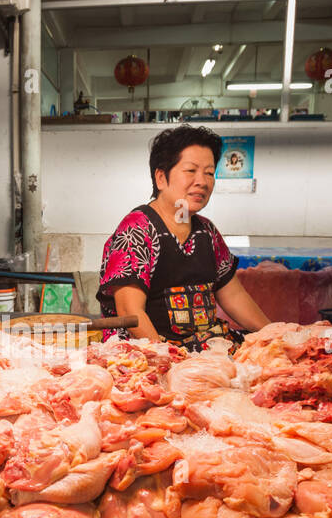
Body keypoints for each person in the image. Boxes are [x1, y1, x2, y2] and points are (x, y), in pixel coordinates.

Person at [97, 125, 270, 350]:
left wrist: (274, 335)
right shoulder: (137, 231)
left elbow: (234, 295)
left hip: (204, 348)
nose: (202, 181)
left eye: (209, 173)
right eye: (191, 171)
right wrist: (170, 361)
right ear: (161, 178)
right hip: (148, 354)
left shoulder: (207, 232)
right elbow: (131, 311)